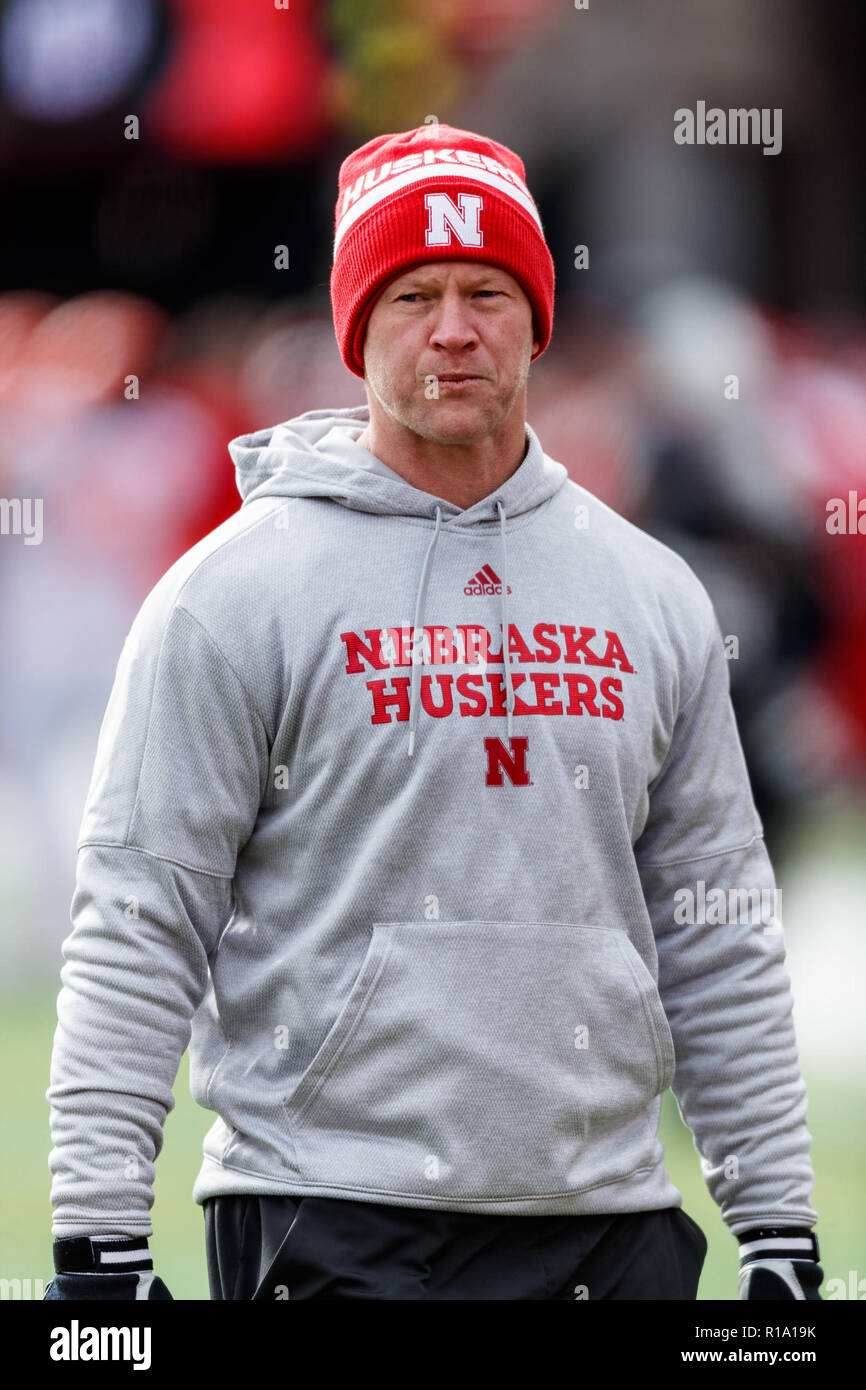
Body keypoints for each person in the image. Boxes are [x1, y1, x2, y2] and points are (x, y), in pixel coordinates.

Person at [45, 123, 822, 1302]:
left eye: (484, 292)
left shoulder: (650, 591)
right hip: (328, 1215)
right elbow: (140, 918)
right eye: (412, 294)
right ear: (356, 326)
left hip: (607, 1222)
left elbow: (716, 933)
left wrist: (775, 1229)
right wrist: (97, 1236)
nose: (452, 331)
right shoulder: (231, 593)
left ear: (536, 319)